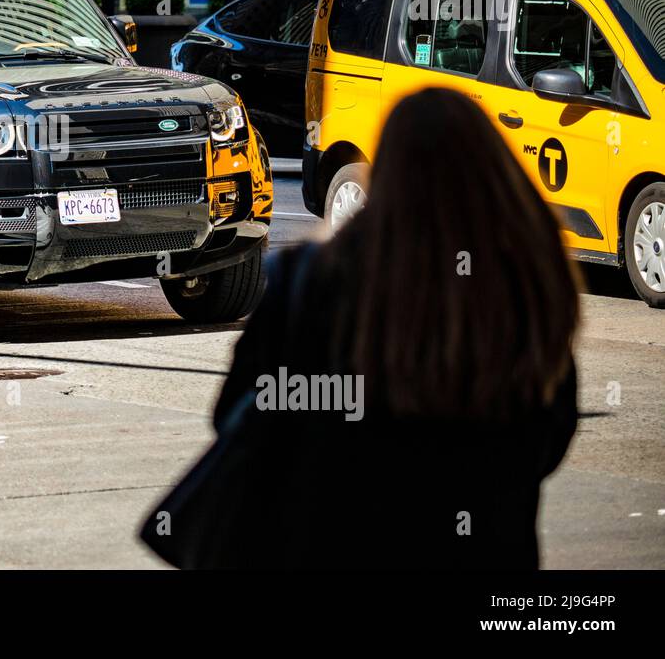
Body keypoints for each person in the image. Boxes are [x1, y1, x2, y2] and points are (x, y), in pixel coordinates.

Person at [208, 87, 580, 569]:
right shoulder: (524, 289)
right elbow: (549, 435)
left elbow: (235, 416)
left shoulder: (313, 281)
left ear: (387, 172)